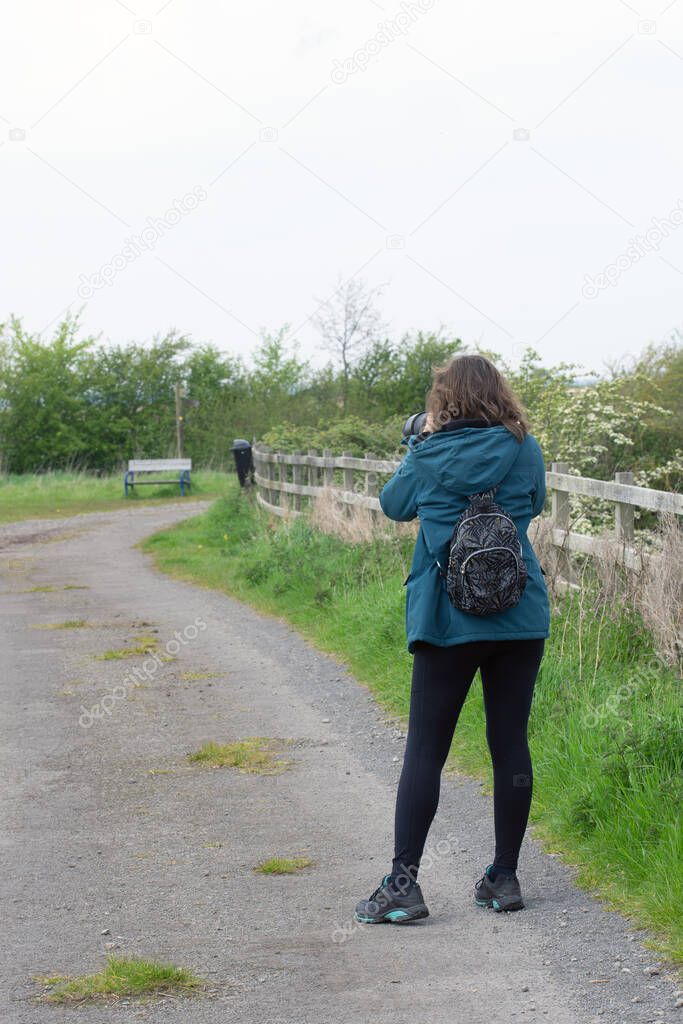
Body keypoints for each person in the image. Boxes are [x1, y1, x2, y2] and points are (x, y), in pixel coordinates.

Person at [355, 353, 550, 924]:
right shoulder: (523, 447)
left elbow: (393, 507)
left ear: (443, 400)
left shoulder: (425, 454)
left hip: (447, 621)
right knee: (510, 743)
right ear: (499, 394)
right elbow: (533, 505)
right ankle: (504, 878)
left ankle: (404, 886)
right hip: (519, 615)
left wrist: (417, 443)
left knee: (426, 751)